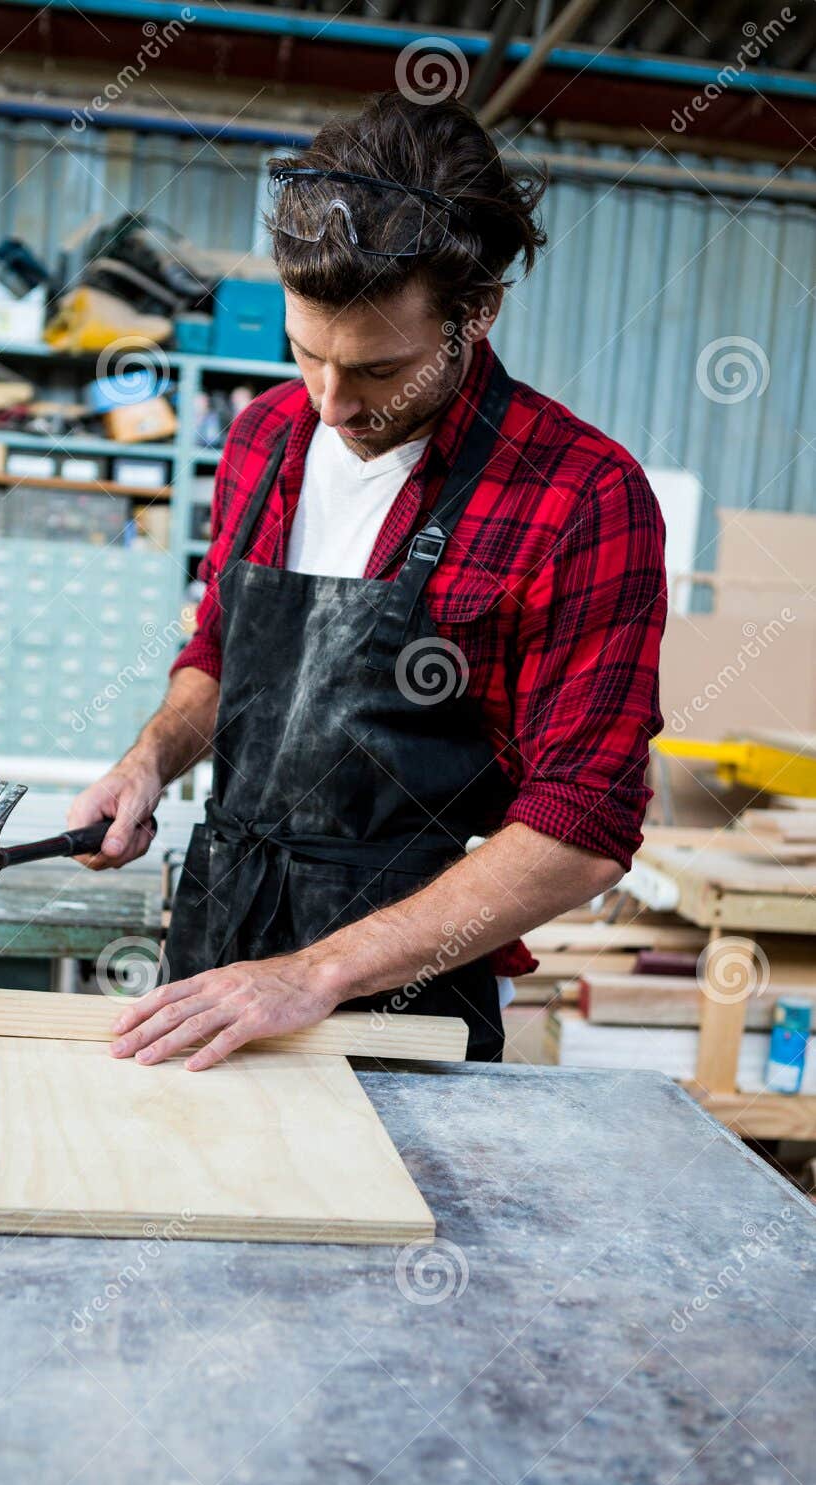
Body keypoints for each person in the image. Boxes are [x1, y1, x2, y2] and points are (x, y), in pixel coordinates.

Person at [69, 91, 666, 1072]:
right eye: (306, 355)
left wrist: (313, 974)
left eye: (379, 370)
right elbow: (221, 648)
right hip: (218, 955)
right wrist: (148, 762)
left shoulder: (579, 495)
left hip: (407, 1004)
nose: (332, 405)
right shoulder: (265, 437)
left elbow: (582, 824)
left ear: (476, 312)